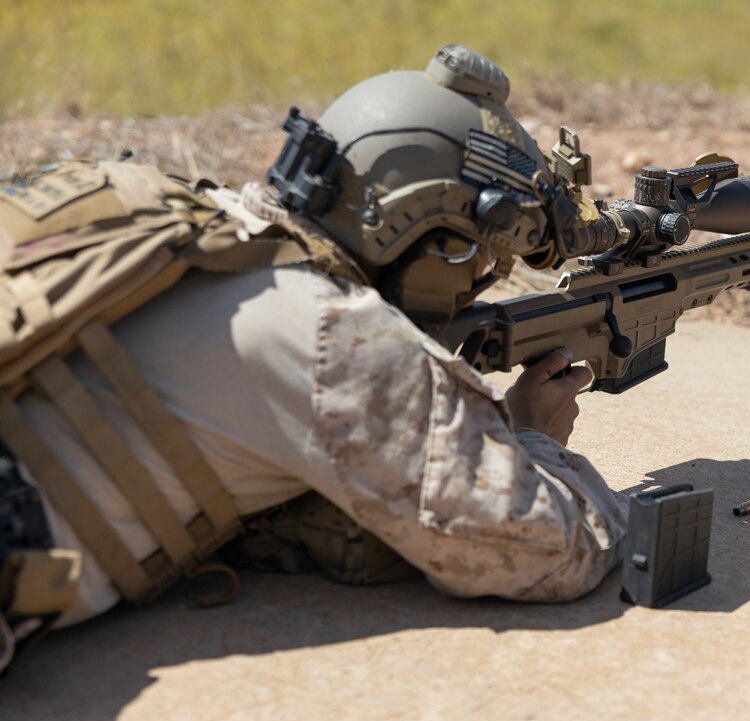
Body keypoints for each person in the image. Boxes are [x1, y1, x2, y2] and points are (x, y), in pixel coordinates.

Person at [0, 44, 627, 669]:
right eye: (478, 259)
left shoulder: (182, 215)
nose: (477, 283)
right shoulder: (333, 334)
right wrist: (529, 437)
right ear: (430, 239)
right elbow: (545, 548)